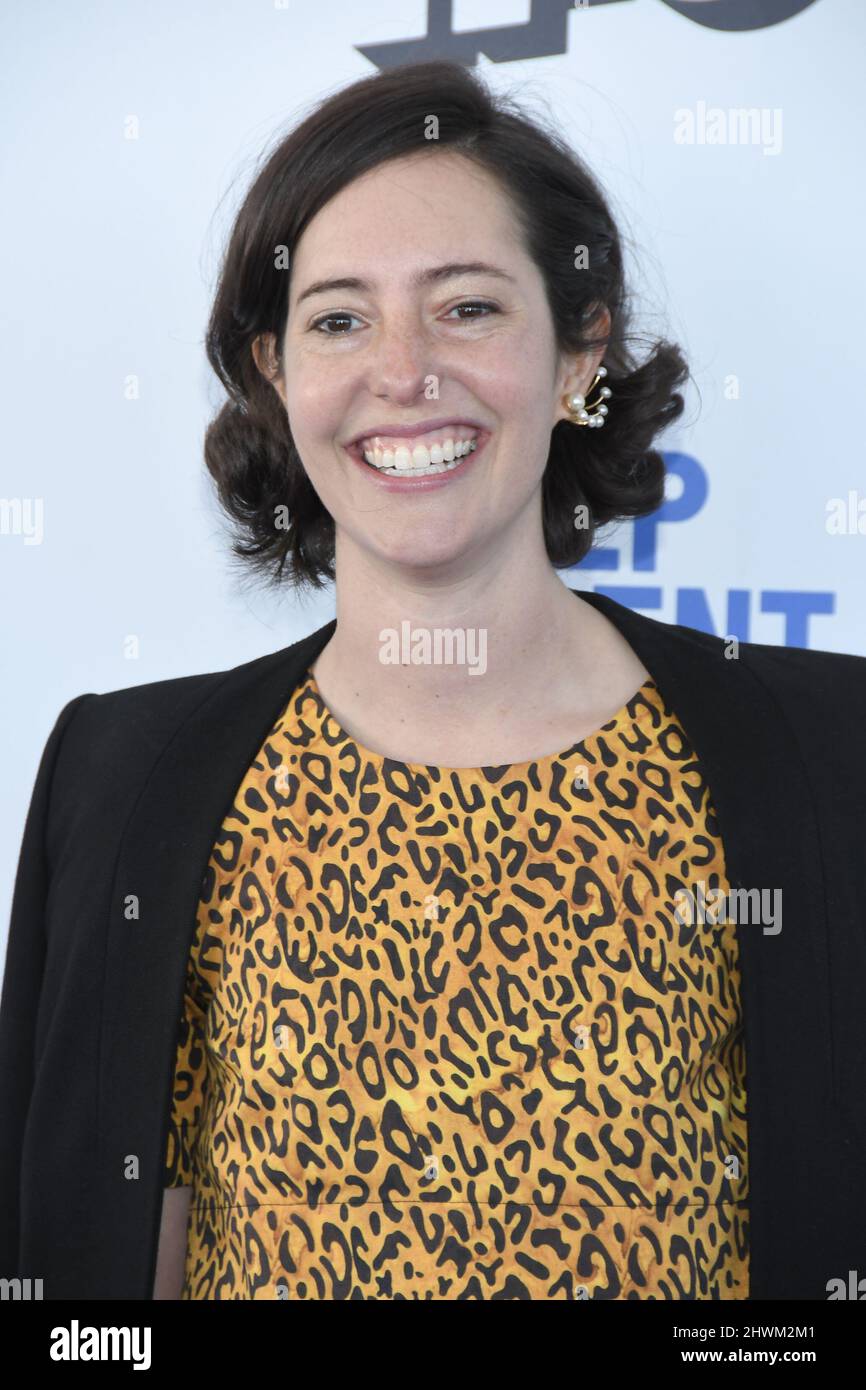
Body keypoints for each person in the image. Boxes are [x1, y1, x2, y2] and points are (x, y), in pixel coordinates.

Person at [2, 60, 865, 1303]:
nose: (402, 372)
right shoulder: (126, 779)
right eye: (339, 319)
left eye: (465, 308)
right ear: (276, 375)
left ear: (579, 355)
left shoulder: (828, 758)